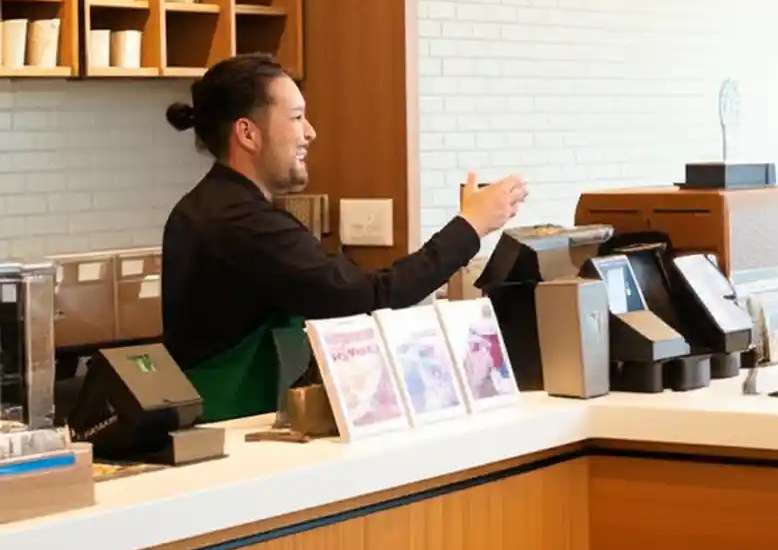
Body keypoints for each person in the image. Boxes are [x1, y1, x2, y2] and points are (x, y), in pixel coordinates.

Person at [160, 53, 528, 422]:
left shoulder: (217, 208)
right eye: (296, 117)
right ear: (247, 134)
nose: (310, 132)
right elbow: (368, 296)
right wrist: (470, 226)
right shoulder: (239, 220)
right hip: (229, 429)